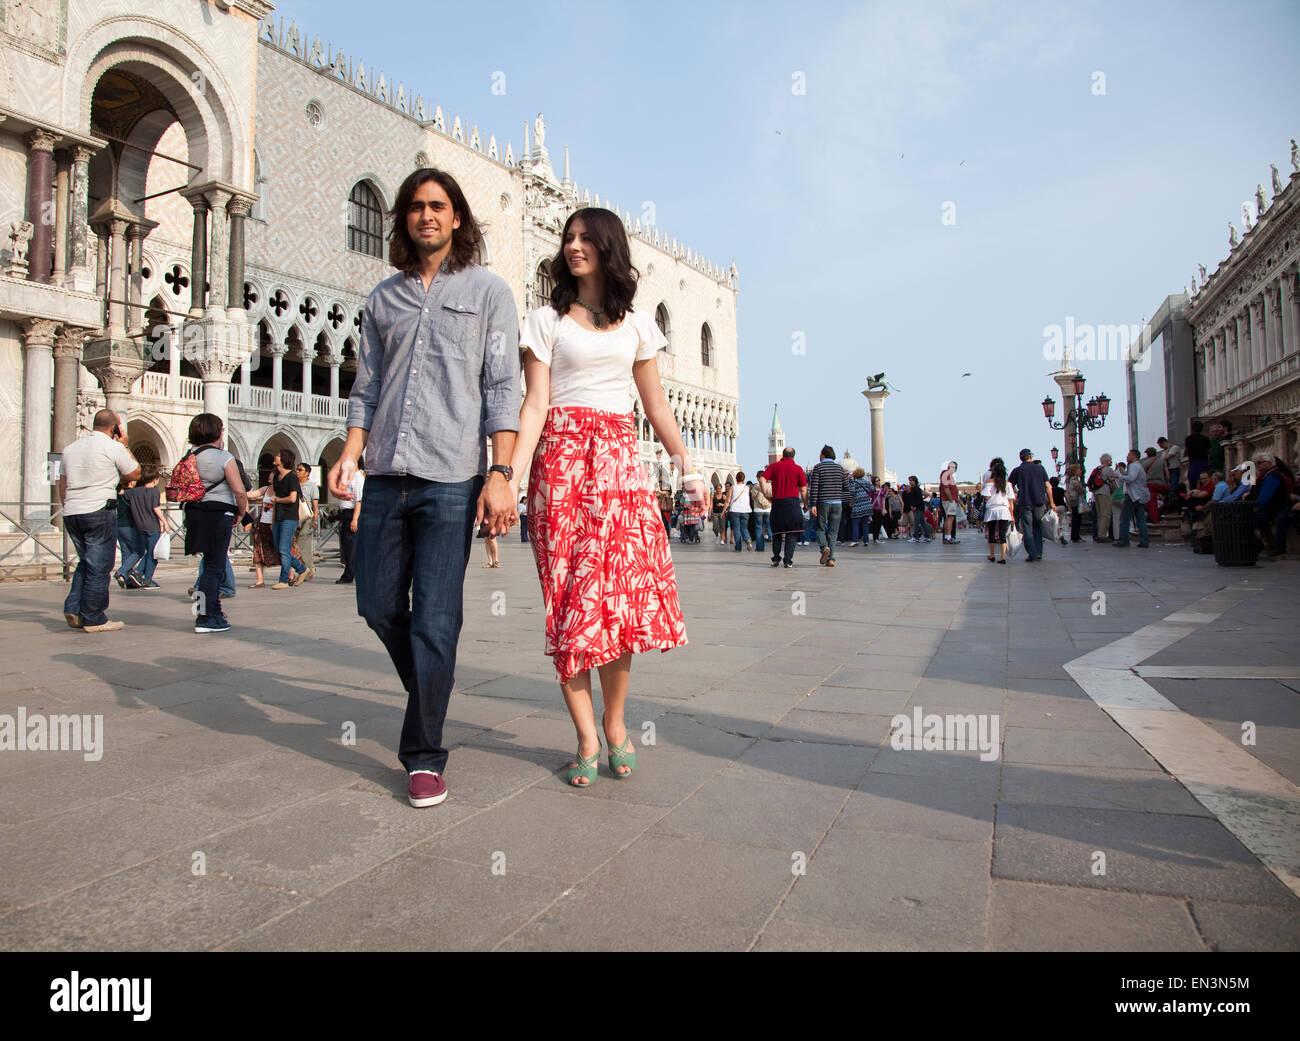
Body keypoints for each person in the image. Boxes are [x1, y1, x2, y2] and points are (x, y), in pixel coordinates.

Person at [328, 167, 520, 809]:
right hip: (384, 471)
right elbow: (368, 384)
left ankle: (424, 754)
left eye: (438, 206)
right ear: (403, 220)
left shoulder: (490, 291)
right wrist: (350, 452)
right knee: (375, 604)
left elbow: (501, 388)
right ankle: (432, 687)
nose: (426, 216)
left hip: (451, 477)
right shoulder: (384, 298)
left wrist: (501, 473)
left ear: (457, 217)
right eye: (415, 207)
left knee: (437, 615)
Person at [506, 205, 696, 789]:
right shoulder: (545, 321)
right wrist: (510, 479)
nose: (573, 246)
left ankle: (615, 723)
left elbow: (656, 404)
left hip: (618, 469)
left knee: (615, 605)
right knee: (567, 604)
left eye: (586, 238)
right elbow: (535, 404)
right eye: (568, 237)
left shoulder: (638, 325)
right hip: (560, 471)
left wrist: (685, 465)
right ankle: (586, 734)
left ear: (607, 246)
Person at [57, 409, 139, 631]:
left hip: (73, 511)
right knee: (100, 565)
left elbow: (62, 483)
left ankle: (74, 609)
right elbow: (135, 473)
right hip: (98, 510)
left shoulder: (71, 449)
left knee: (87, 562)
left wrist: (68, 504)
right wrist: (125, 445)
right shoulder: (112, 447)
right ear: (115, 428)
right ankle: (94, 617)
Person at [182, 412, 249, 632]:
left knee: (208, 567)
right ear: (217, 432)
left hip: (194, 514)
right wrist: (242, 512)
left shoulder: (189, 456)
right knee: (214, 566)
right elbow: (239, 490)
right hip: (218, 514)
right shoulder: (224, 457)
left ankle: (211, 611)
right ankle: (205, 618)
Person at [762, 447, 807, 567]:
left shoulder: (774, 466)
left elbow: (762, 478)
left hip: (777, 503)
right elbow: (803, 489)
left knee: (777, 532)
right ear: (793, 456)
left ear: (783, 455)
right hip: (792, 503)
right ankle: (787, 560)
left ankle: (776, 558)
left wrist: (766, 493)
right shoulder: (798, 469)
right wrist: (806, 503)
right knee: (791, 533)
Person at [269, 449, 307, 589]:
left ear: (284, 460)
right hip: (278, 516)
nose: (275, 457)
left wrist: (278, 499)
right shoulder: (276, 477)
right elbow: (274, 501)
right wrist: (273, 521)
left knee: (284, 549)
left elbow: (292, 498)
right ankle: (302, 569)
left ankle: (284, 580)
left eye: (278, 456)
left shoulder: (292, 477)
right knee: (280, 549)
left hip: (289, 517)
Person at [122, 465, 166, 587]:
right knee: (154, 554)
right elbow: (156, 508)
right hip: (152, 526)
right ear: (155, 479)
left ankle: (138, 574)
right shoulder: (154, 492)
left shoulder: (134, 492)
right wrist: (165, 523)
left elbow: (122, 493)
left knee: (148, 552)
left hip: (139, 526)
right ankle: (145, 579)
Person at [808, 445, 849, 566]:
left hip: (823, 502)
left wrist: (813, 505)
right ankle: (831, 559)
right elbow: (846, 487)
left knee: (820, 528)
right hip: (837, 503)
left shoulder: (818, 467)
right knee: (833, 532)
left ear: (824, 454)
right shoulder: (839, 468)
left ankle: (824, 548)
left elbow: (814, 487)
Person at [1008, 448, 1052, 562]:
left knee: (1027, 528)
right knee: (1038, 527)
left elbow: (1009, 486)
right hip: (1039, 502)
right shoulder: (1040, 468)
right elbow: (1048, 486)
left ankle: (1031, 554)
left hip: (1025, 502)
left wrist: (1014, 498)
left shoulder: (1017, 470)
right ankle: (1038, 552)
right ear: (1030, 457)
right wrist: (1052, 502)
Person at [1113, 449, 1150, 548]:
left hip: (1133, 496)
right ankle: (1144, 541)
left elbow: (1131, 478)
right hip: (1140, 496)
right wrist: (1123, 472)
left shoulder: (1134, 466)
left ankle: (1124, 540)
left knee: (1124, 518)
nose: (1127, 456)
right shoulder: (1138, 466)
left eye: (1129, 455)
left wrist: (1119, 475)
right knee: (1141, 519)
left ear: (1134, 456)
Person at [981, 458, 1015, 564]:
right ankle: (1003, 556)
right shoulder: (1007, 484)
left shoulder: (989, 482)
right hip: (1004, 510)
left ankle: (992, 555)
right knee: (1002, 534)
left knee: (991, 533)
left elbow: (986, 497)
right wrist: (1012, 514)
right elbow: (1010, 501)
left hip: (992, 510)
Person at [335, 461, 364, 583]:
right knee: (347, 546)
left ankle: (349, 575)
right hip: (345, 514)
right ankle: (350, 572)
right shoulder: (350, 477)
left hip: (352, 514)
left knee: (351, 547)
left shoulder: (358, 478)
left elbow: (359, 500)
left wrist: (355, 520)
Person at [294, 461, 319, 582]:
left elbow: (315, 506)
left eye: (300, 470)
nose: (297, 471)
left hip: (307, 517)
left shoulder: (311, 486)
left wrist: (315, 520)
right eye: (297, 469)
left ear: (307, 473)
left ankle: (308, 569)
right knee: (296, 544)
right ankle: (302, 569)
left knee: (304, 542)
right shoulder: (294, 484)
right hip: (294, 517)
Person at [728, 470, 754, 551]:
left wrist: (724, 510)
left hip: (735, 510)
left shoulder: (733, 487)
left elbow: (728, 499)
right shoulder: (747, 488)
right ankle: (748, 539)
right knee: (744, 528)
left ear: (736, 478)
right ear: (744, 478)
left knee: (736, 528)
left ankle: (738, 547)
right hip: (745, 510)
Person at [848, 467, 873, 546]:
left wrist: (851, 483)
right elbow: (873, 489)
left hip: (858, 505)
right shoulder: (866, 482)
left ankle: (855, 540)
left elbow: (852, 492)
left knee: (855, 523)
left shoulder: (854, 483)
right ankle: (866, 541)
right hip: (866, 505)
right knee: (865, 523)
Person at [939, 460, 961, 544]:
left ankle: (947, 537)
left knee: (949, 518)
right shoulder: (946, 475)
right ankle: (948, 537)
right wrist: (951, 499)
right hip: (949, 500)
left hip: (949, 499)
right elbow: (946, 488)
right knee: (950, 518)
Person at [1184, 420, 1211, 488]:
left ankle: (1193, 496)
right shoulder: (1205, 438)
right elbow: (1208, 450)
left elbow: (1186, 450)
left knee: (1192, 483)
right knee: (1204, 482)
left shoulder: (1188, 438)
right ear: (1201, 429)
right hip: (1203, 461)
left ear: (1192, 428)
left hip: (1193, 462)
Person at [904, 476, 930, 543]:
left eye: (911, 480)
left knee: (916, 522)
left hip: (918, 508)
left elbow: (919, 499)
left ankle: (916, 537)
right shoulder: (913, 489)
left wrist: (915, 506)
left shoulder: (917, 489)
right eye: (909, 480)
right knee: (923, 523)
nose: (910, 482)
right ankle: (927, 537)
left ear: (915, 481)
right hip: (919, 508)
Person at [751, 471, 772, 553]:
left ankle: (760, 547)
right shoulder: (769, 485)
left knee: (758, 527)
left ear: (757, 477)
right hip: (768, 509)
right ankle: (773, 541)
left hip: (758, 509)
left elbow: (753, 497)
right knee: (769, 526)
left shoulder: (756, 486)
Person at [1065, 463, 1085, 543]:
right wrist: (1083, 489)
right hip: (1076, 501)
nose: (1080, 471)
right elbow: (1080, 490)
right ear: (1075, 471)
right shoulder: (1074, 481)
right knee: (1077, 519)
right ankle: (1076, 536)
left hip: (1073, 501)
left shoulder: (1073, 480)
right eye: (1079, 470)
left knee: (1075, 519)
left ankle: (1075, 536)